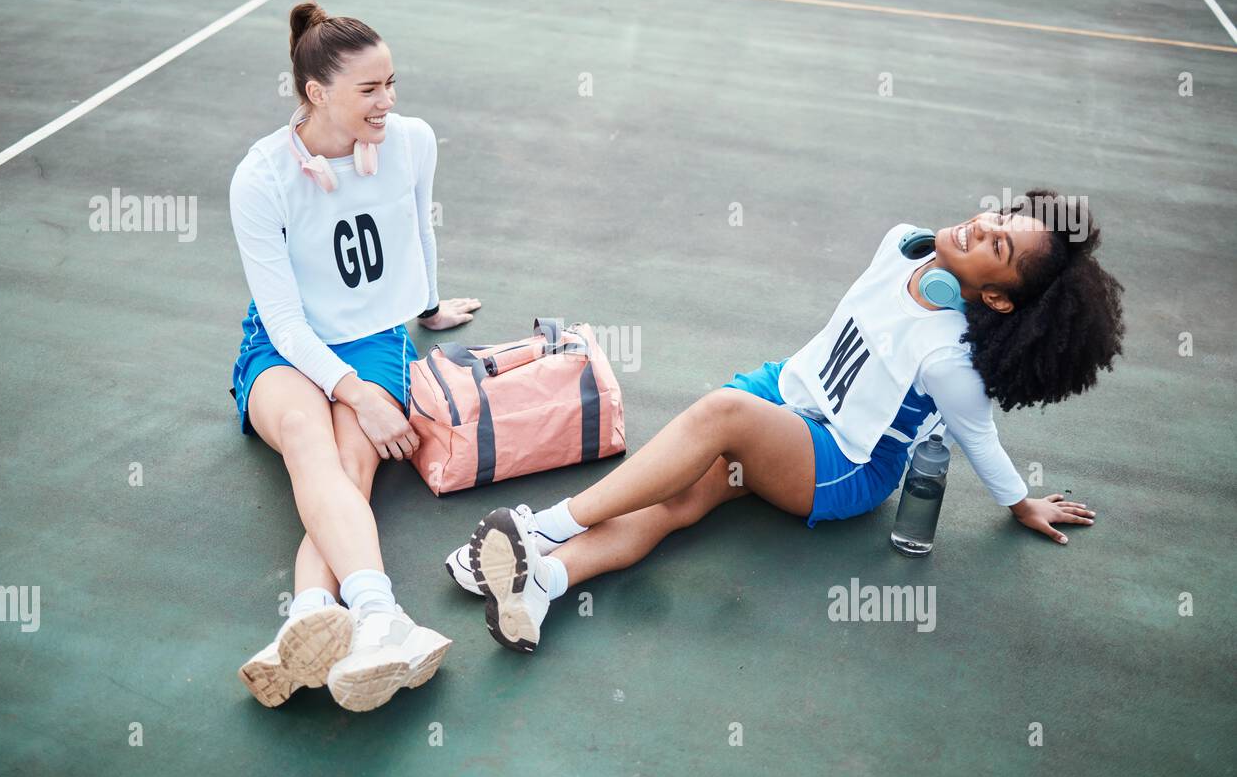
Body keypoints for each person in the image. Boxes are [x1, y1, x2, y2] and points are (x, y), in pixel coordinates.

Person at [445, 191, 1125, 654]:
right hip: (786, 394)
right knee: (677, 497)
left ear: (997, 297)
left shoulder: (950, 357)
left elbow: (978, 436)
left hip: (840, 462)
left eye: (999, 245)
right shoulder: (901, 245)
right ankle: (542, 584)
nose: (982, 225)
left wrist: (1020, 502)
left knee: (720, 413)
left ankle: (540, 528)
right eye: (998, 215)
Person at [231, 0, 480, 709]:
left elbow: (419, 226)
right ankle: (381, 615)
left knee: (350, 466)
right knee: (310, 436)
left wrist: (429, 306)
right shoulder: (260, 177)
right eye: (370, 89)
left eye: (392, 83)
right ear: (316, 92)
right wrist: (356, 391)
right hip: (285, 347)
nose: (389, 101)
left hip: (374, 339)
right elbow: (281, 319)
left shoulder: (411, 141)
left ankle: (307, 617)